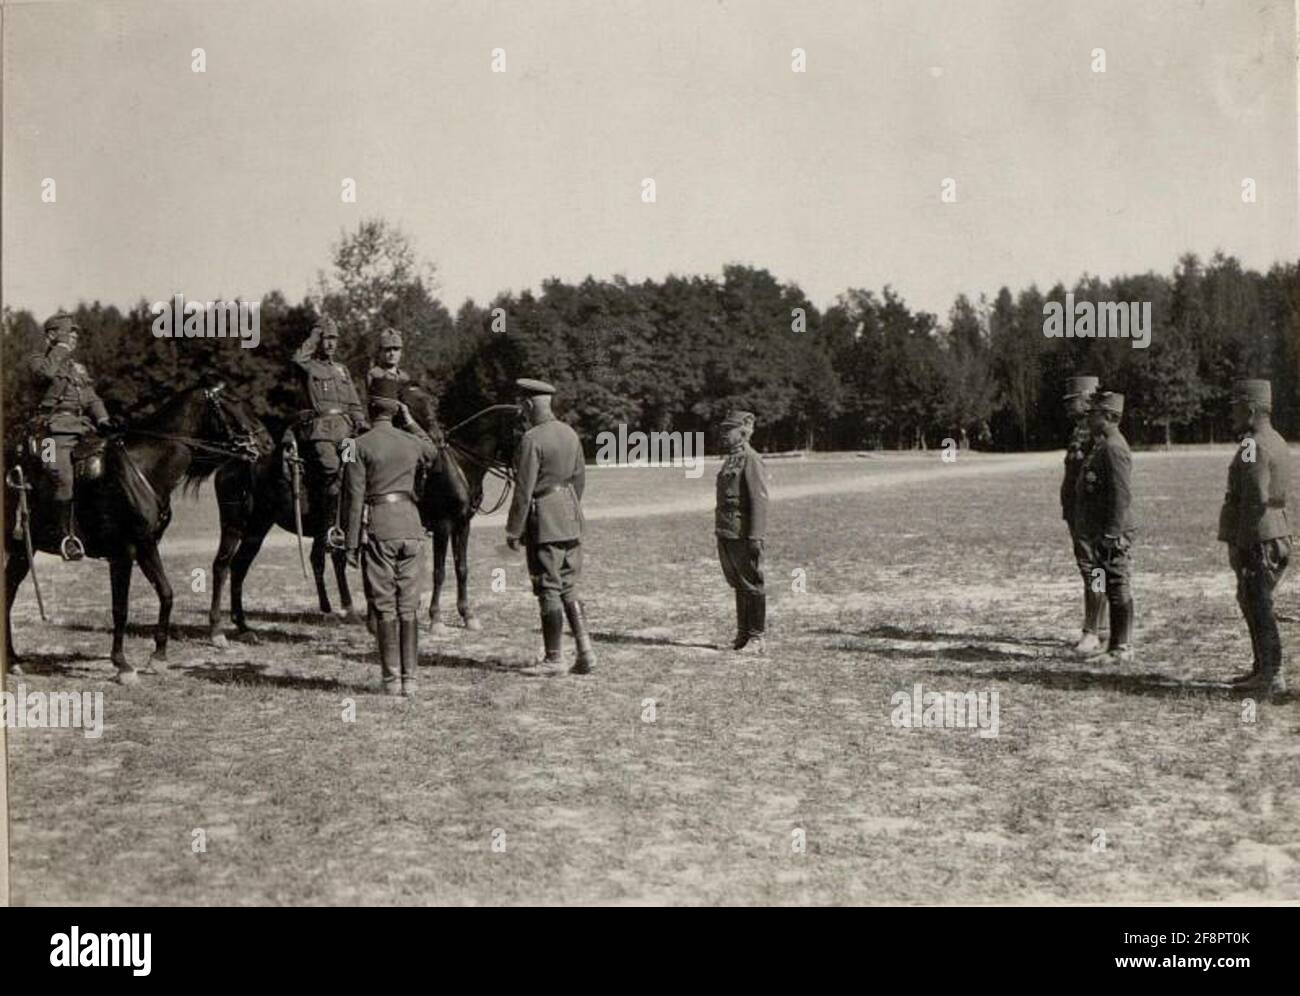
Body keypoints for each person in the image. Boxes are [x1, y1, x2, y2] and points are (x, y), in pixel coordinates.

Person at [340, 378, 439, 696]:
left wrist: (351, 544)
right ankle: (411, 679)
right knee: (408, 606)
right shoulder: (411, 442)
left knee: (384, 606)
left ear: (370, 408)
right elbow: (433, 451)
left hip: (380, 528)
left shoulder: (358, 445)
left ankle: (390, 679)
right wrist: (410, 423)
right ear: (397, 408)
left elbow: (354, 498)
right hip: (411, 525)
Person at [505, 378, 593, 676]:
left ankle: (554, 658)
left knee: (549, 588)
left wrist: (513, 530)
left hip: (545, 521)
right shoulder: (570, 433)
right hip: (570, 515)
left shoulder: (532, 439)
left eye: (523, 404)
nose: (522, 409)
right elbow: (579, 479)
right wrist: (567, 508)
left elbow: (523, 489)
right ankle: (585, 651)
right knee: (569, 586)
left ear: (529, 404)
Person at [1218, 379, 1292, 697]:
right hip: (1272, 531)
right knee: (1255, 601)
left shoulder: (1255, 444)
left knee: (1258, 604)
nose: (1231, 414)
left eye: (1235, 407)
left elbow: (1253, 498)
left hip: (1258, 536)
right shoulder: (1274, 439)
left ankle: (1271, 673)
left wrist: (1241, 543)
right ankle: (1263, 668)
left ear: (1250, 409)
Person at [27, 312, 113, 560]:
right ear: (52, 336)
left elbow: (91, 397)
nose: (74, 337)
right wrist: (61, 349)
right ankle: (65, 536)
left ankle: (102, 532)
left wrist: (104, 419)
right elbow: (45, 374)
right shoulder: (38, 361)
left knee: (107, 468)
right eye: (68, 333)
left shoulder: (77, 368)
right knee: (60, 474)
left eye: (75, 334)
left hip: (80, 430)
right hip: (47, 435)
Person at [1073, 391, 1136, 663]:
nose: (1090, 417)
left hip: (1113, 530)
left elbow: (1121, 495)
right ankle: (1115, 644)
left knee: (1118, 584)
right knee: (1110, 583)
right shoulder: (1103, 444)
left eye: (1095, 413)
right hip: (1102, 528)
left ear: (1109, 417)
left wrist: (1112, 533)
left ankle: (1121, 648)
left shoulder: (1114, 447)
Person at [292, 318, 367, 543]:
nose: (330, 343)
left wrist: (361, 422)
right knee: (332, 469)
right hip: (322, 432)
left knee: (353, 471)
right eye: (326, 338)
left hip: (347, 433)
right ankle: (327, 528)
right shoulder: (309, 366)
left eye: (333, 338)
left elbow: (354, 403)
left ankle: (350, 526)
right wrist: (315, 334)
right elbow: (298, 358)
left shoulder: (342, 370)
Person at [715, 410, 769, 654]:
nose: (724, 435)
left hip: (743, 531)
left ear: (744, 432)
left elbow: (759, 499)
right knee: (738, 583)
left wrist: (755, 535)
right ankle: (743, 634)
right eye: (723, 430)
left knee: (751, 583)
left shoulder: (751, 458)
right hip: (727, 530)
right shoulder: (732, 458)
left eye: (729, 430)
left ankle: (757, 638)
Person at [1061, 375, 1107, 654]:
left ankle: (1094, 631)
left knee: (1094, 570)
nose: (1067, 407)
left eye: (1072, 400)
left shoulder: (1095, 432)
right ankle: (1098, 627)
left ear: (1087, 400)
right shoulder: (1081, 429)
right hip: (1078, 513)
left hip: (1090, 515)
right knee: (1090, 570)